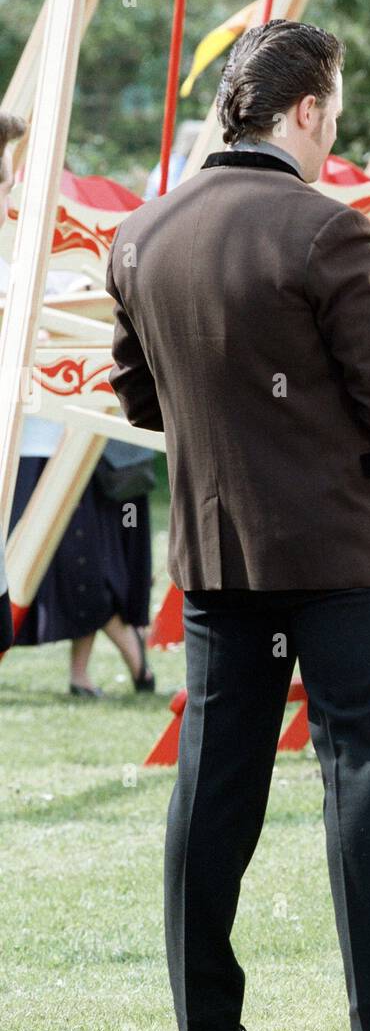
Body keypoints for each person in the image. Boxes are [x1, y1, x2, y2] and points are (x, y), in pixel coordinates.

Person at [107, 19, 370, 1031]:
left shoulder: (140, 235)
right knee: (363, 780)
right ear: (302, 111)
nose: (337, 129)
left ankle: (207, 1030)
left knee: (212, 786)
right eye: (332, 108)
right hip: (340, 544)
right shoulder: (328, 231)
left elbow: (142, 396)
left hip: (214, 552)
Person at [0, 108, 155, 694]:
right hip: (39, 442)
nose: (12, 197)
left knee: (82, 568)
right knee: (70, 568)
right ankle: (121, 662)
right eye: (6, 182)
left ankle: (101, 667)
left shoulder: (59, 261)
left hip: (66, 437)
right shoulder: (19, 260)